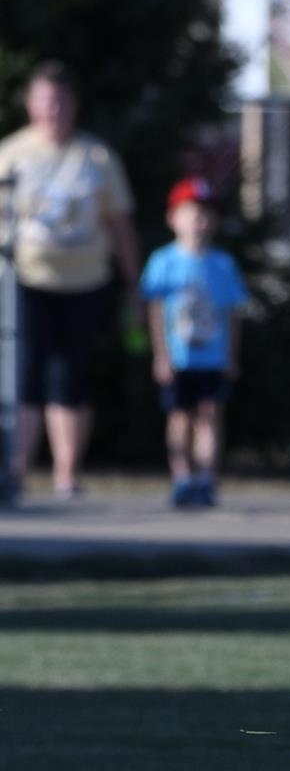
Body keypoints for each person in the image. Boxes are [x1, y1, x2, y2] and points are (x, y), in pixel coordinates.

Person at [0, 61, 141, 499]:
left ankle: (66, 474)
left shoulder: (95, 157)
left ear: (74, 105)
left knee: (70, 379)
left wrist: (132, 281)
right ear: (31, 105)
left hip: (83, 282)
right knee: (23, 377)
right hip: (23, 280)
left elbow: (120, 223)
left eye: (61, 102)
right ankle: (15, 470)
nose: (54, 110)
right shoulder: (12, 153)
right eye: (46, 101)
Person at [140, 177, 249, 508]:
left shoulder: (223, 264)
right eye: (191, 212)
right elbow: (155, 312)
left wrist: (231, 356)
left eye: (206, 214)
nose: (200, 221)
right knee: (180, 417)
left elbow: (232, 314)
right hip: (178, 357)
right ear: (173, 218)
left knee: (211, 415)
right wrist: (161, 354)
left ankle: (206, 480)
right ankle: (183, 478)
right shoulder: (163, 261)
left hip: (212, 358)